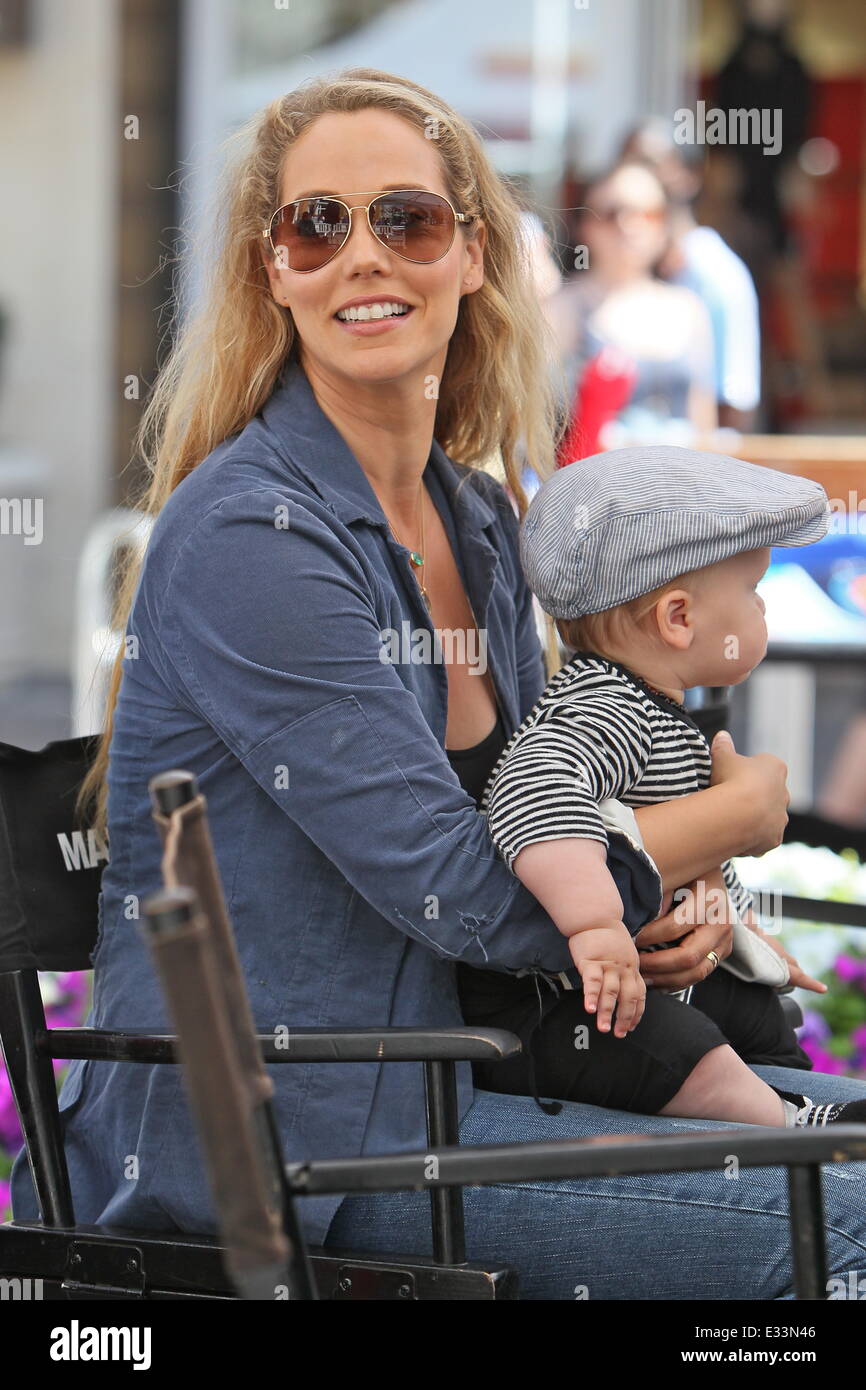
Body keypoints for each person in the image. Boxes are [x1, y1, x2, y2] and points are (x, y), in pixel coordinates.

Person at [11, 68, 866, 1301]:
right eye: (318, 224)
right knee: (838, 1228)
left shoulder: (473, 519)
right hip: (316, 1143)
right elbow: (470, 894)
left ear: (470, 251)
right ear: (273, 270)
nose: (362, 257)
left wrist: (680, 903)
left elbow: (545, 816)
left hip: (491, 1069)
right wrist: (723, 822)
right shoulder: (251, 539)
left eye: (404, 219)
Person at [465, 444, 866, 1131]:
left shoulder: (656, 710)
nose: (763, 609)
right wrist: (593, 924)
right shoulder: (603, 709)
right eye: (752, 591)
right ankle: (784, 1127)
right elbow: (531, 794)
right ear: (678, 619)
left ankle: (799, 1101)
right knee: (677, 1047)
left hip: (639, 974)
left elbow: (694, 857)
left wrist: (750, 937)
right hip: (562, 1001)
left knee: (756, 1011)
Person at [543, 161, 717, 449]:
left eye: (647, 214)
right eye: (613, 214)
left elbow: (704, 426)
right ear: (585, 225)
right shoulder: (563, 308)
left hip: (680, 487)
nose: (629, 226)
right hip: (596, 488)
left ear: (663, 226)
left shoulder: (689, 310)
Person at [619, 120, 762, 432]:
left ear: (690, 177)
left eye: (649, 164)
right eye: (628, 164)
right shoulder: (616, 270)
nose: (637, 178)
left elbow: (733, 409)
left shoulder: (716, 275)